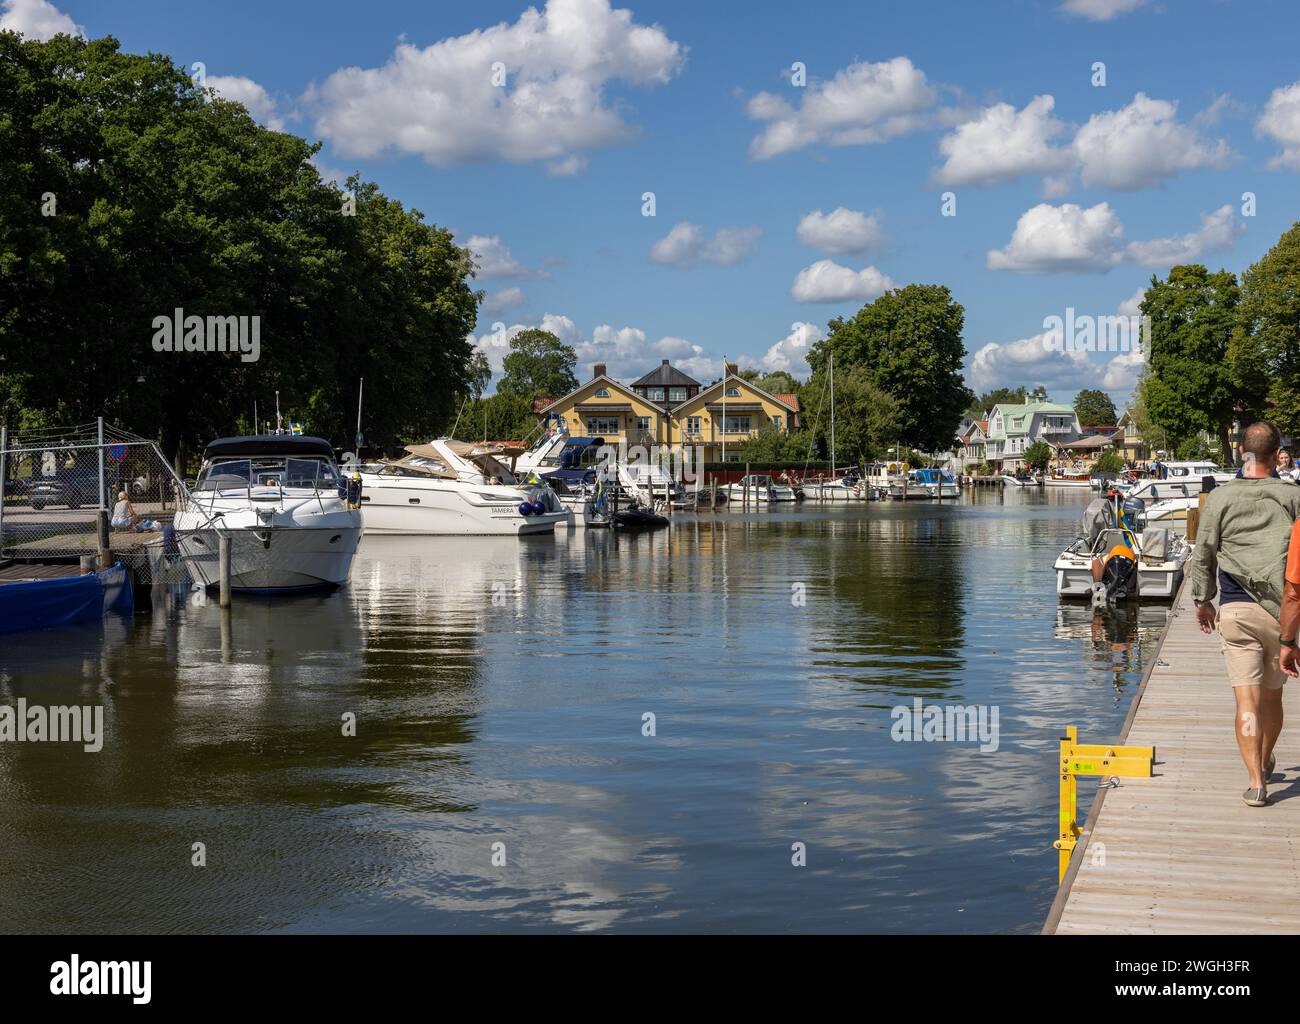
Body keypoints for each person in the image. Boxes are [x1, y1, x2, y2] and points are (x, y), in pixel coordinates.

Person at [1190, 421, 1300, 806]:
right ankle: (1265, 755)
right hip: (1279, 614)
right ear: (1276, 457)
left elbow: (1202, 553)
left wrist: (1203, 600)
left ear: (1242, 453)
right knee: (1272, 699)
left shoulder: (1220, 499)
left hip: (1235, 611)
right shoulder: (1293, 497)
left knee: (1246, 702)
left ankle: (1256, 779)